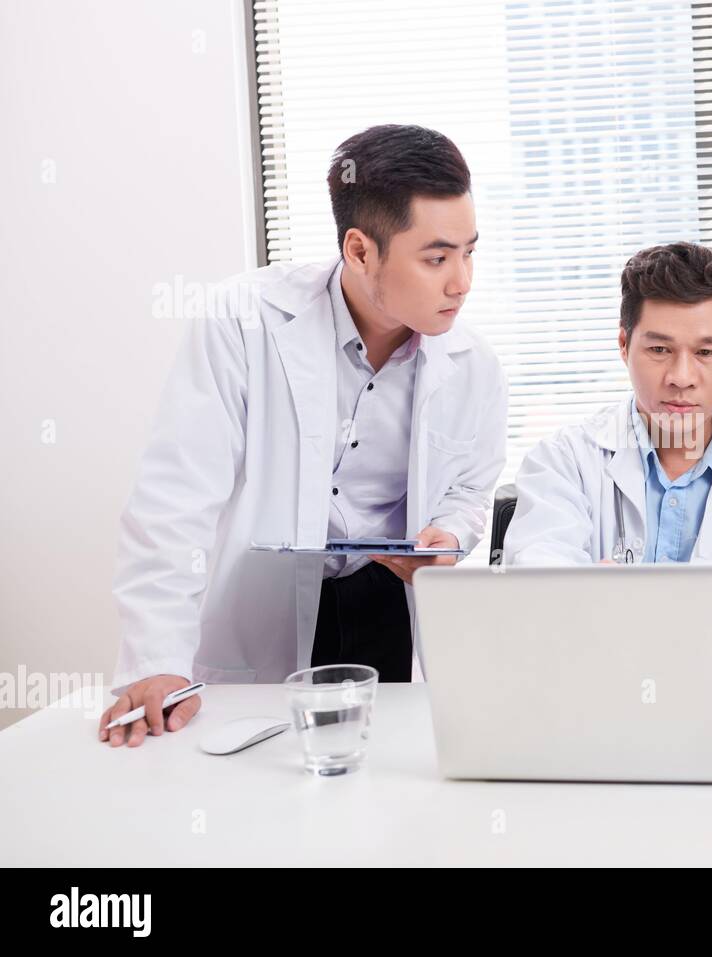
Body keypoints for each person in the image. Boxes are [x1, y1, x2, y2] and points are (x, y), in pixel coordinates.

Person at [101, 125, 507, 746]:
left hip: (388, 606)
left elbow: (472, 488)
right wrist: (157, 660)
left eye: (469, 252)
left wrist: (449, 533)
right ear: (361, 249)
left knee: (388, 791)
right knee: (254, 792)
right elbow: (175, 500)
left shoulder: (473, 363)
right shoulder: (243, 321)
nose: (462, 282)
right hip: (265, 609)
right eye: (436, 257)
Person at [504, 242, 712, 679]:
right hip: (591, 695)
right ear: (623, 344)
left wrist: (665, 655)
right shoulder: (563, 461)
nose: (681, 377)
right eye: (659, 350)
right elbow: (540, 586)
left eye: (707, 352)